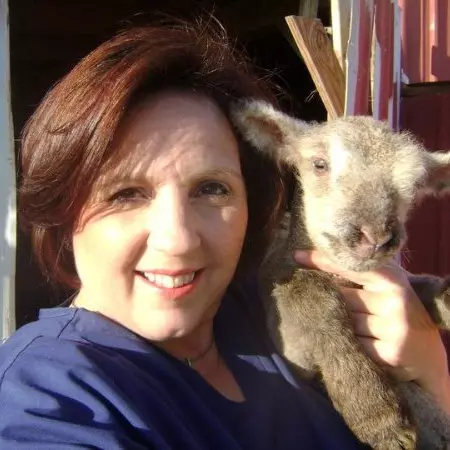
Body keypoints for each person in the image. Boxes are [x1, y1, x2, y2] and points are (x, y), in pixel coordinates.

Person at [0, 17, 448, 449]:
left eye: (212, 189)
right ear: (64, 205)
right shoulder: (51, 395)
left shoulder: (264, 303)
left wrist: (432, 369)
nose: (177, 240)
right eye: (126, 194)